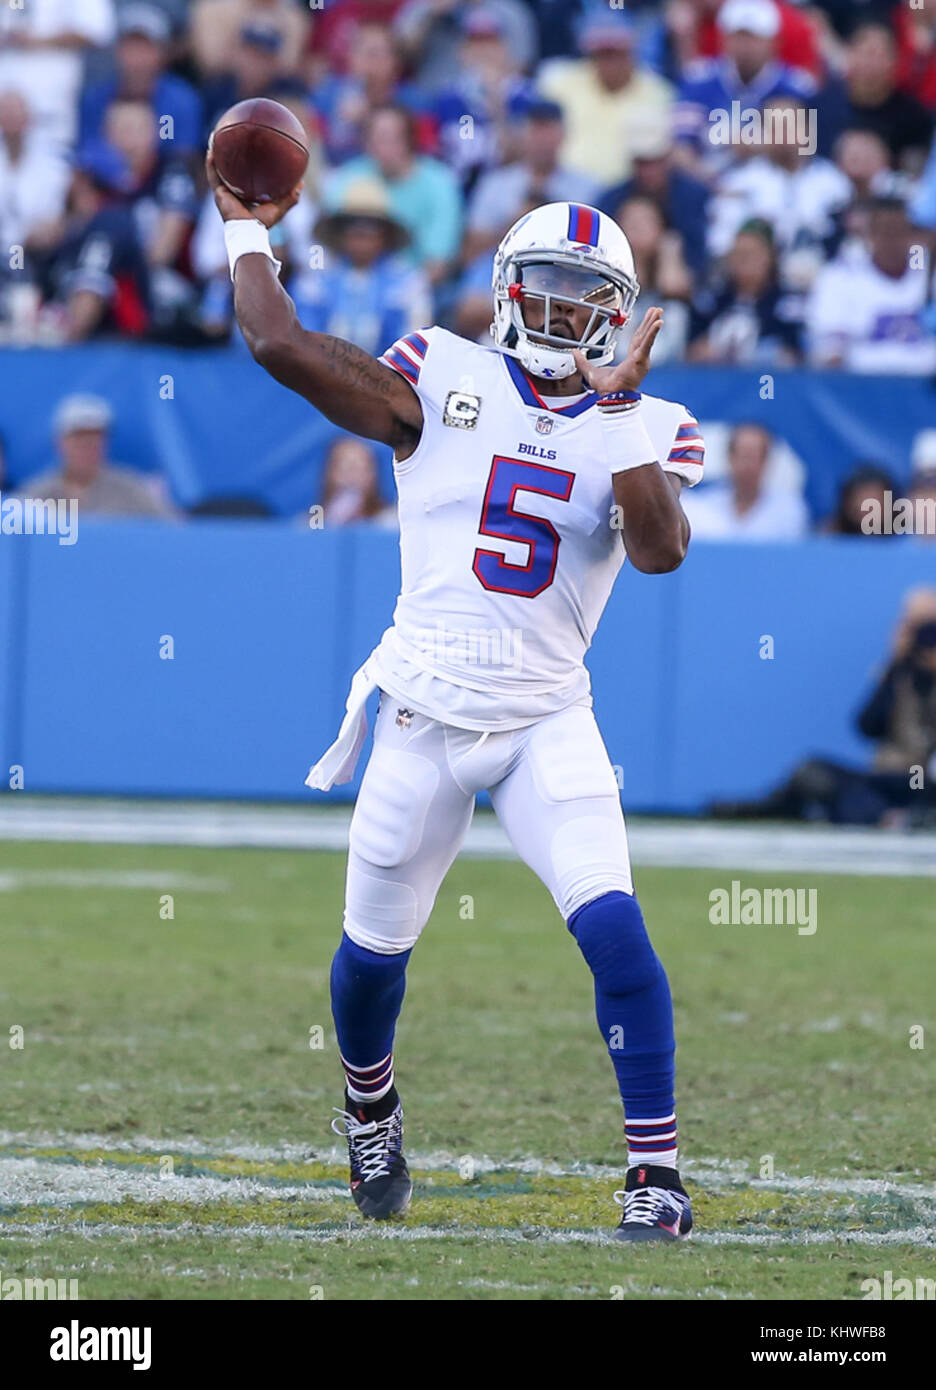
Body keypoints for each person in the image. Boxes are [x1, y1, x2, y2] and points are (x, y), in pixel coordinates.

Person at [210, 155, 706, 1241]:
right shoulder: (438, 374)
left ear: (620, 317)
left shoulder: (650, 419)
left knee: (619, 937)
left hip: (544, 722)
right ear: (506, 283)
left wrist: (619, 413)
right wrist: (248, 233)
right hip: (424, 713)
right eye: (551, 284)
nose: (568, 310)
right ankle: (368, 1102)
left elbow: (662, 551)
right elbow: (280, 345)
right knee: (370, 958)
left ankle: (657, 1175)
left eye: (591, 296)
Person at [713, 588, 936, 826]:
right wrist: (895, 665)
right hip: (884, 778)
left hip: (921, 780)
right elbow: (867, 726)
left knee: (861, 798)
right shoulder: (899, 672)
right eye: (912, 627)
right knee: (814, 772)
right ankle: (770, 808)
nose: (923, 638)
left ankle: (890, 817)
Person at [324, 105, 461, 285]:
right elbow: (329, 247)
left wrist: (399, 295)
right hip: (348, 284)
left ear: (410, 140)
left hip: (417, 289)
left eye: (392, 139)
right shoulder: (347, 178)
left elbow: (437, 263)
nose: (383, 147)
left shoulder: (440, 183)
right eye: (376, 139)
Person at [290, 180, 430, 355]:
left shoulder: (409, 282)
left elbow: (412, 344)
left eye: (370, 233)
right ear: (340, 235)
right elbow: (302, 337)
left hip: (386, 377)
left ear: (385, 237)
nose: (362, 242)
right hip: (319, 374)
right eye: (355, 233)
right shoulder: (315, 278)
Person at [537, 12, 674, 186]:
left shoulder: (658, 92)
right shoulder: (562, 83)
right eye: (602, 54)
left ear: (630, 52)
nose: (610, 62)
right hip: (566, 186)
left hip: (629, 191)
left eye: (616, 53)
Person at [806, 195, 936, 374]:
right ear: (870, 234)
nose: (893, 240)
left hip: (926, 386)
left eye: (900, 231)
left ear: (911, 234)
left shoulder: (925, 268)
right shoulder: (841, 276)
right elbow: (830, 351)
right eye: (886, 231)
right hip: (864, 387)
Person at [17, 394, 173, 518]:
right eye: (79, 439)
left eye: (95, 439)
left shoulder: (132, 491)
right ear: (59, 443)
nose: (88, 447)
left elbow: (172, 531)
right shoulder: (35, 495)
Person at [688, 219, 803, 364]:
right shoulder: (711, 301)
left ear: (771, 257)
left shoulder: (787, 304)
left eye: (752, 253)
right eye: (738, 253)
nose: (743, 260)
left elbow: (794, 356)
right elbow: (691, 349)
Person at [681, 421, 808, 539]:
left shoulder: (788, 510)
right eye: (743, 456)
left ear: (766, 461)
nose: (748, 465)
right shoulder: (703, 508)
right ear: (730, 458)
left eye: (754, 457)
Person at [316, 434, 395, 527]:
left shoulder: (390, 522)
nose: (353, 475)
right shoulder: (312, 522)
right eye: (346, 467)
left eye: (361, 468)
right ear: (330, 472)